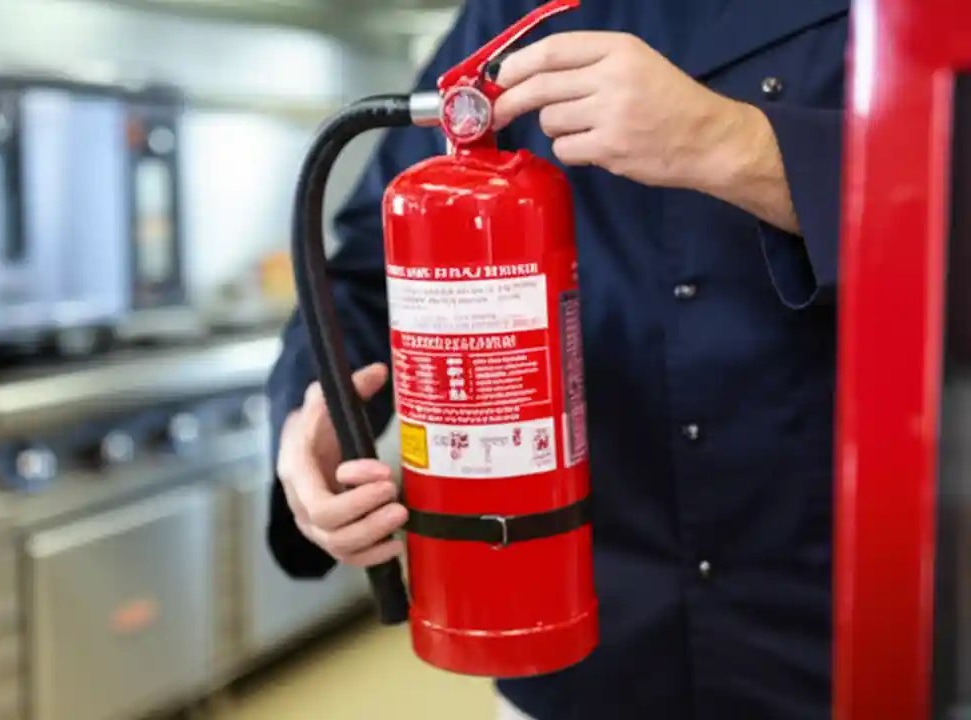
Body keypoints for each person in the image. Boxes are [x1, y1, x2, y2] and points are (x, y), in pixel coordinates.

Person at [265, 1, 848, 717]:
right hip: (570, 629)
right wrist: (313, 415)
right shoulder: (515, 17)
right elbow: (363, 276)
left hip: (836, 623)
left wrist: (742, 146)